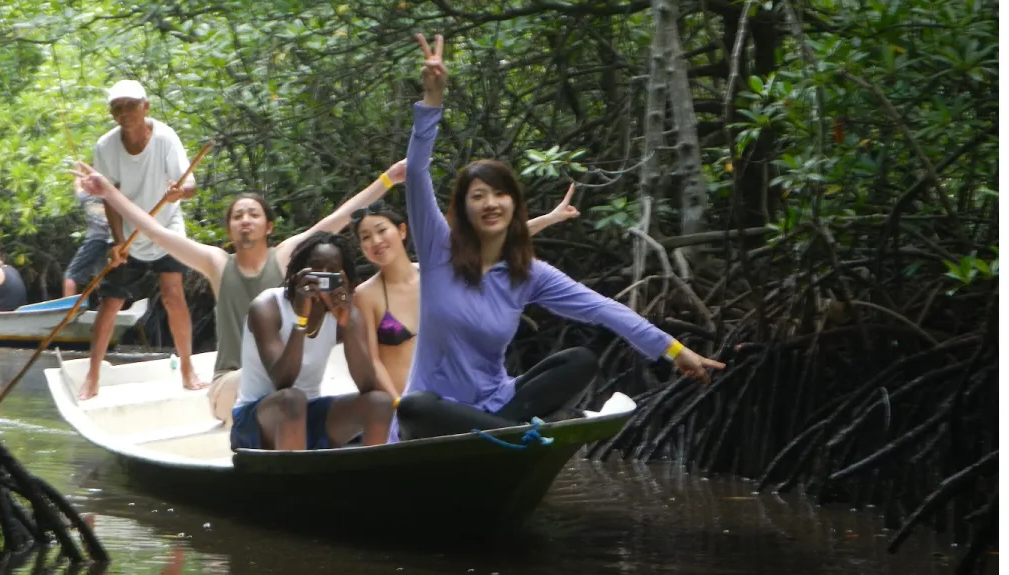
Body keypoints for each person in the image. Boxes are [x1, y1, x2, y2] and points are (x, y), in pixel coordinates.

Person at [395, 33, 725, 441]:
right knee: (414, 406)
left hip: (498, 405)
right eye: (478, 196)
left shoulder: (529, 273)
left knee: (580, 359)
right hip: (436, 418)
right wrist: (432, 101)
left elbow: (604, 309)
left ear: (515, 204)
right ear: (463, 209)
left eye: (500, 194)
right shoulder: (437, 249)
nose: (491, 203)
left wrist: (674, 350)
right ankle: (520, 434)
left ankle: (508, 431)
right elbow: (416, 173)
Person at [71, 156, 410, 413]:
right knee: (276, 393)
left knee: (306, 395)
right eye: (237, 216)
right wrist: (109, 193)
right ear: (230, 229)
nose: (245, 220)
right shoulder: (217, 263)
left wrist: (388, 179)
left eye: (253, 214)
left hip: (284, 382)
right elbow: (155, 230)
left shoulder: (285, 257)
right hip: (231, 385)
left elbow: (336, 218)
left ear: (269, 227)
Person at [351, 184, 581, 399]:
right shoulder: (365, 295)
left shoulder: (437, 271)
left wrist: (551, 218)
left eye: (381, 230)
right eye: (366, 238)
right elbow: (373, 362)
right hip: (412, 405)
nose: (376, 241)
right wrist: (397, 405)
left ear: (402, 230)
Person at [82, 79, 200, 400]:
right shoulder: (106, 146)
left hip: (165, 227)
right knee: (110, 301)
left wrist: (179, 191)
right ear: (112, 112)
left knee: (173, 293)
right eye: (118, 108)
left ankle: (188, 368)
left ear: (145, 106)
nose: (125, 113)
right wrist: (118, 242)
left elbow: (189, 187)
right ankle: (92, 376)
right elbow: (109, 196)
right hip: (131, 230)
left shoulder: (164, 137)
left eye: (131, 105)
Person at [231, 232, 393, 451]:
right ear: (298, 272)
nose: (322, 276)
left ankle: (371, 482)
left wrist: (347, 325)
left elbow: (366, 385)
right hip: (256, 421)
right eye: (316, 268)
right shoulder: (267, 307)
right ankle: (297, 484)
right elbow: (282, 380)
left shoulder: (346, 314)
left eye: (332, 271)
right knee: (292, 400)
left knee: (380, 403)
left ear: (344, 277)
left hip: (308, 412)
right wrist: (301, 319)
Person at [63, 176, 113, 297]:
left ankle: (66, 309)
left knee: (70, 276)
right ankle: (103, 305)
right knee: (101, 275)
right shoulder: (112, 197)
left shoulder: (87, 198)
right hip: (111, 240)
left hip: (95, 240)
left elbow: (77, 185)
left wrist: (79, 171)